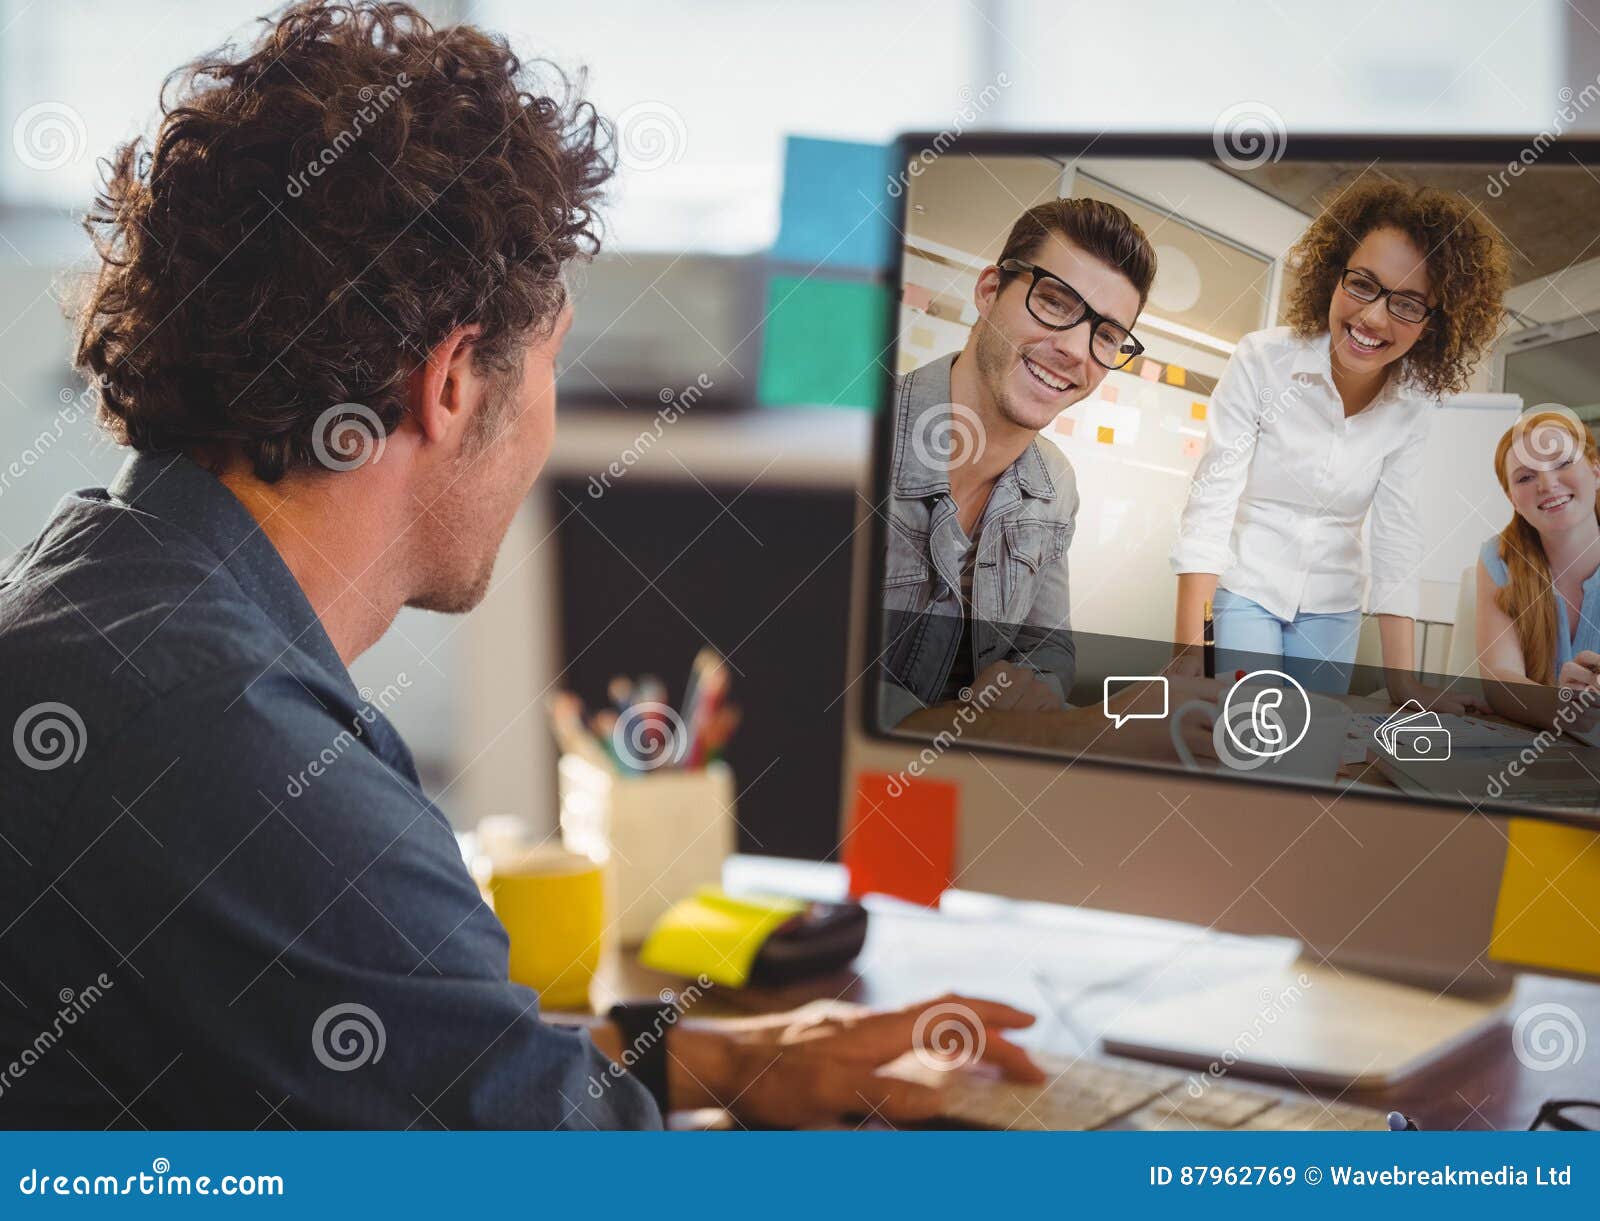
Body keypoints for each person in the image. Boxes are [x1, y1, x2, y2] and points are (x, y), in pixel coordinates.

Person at [0, 0, 1043, 1129]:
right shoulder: (236, 751)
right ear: (449, 385)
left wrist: (726, 1067)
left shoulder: (92, 602)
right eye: (550, 358)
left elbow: (438, 1057)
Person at [1170, 179, 1508, 708]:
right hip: (1245, 585)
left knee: (1312, 748)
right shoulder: (1263, 360)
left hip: (1334, 604)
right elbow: (1210, 503)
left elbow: (1397, 535)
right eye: (1363, 284)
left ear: (1433, 325)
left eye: (1408, 304)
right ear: (1334, 274)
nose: (1373, 317)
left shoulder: (1411, 405)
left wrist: (1403, 682)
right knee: (1244, 732)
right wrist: (1191, 649)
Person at [882, 197, 1154, 721]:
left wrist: (1034, 690)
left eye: (1106, 336)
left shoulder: (1056, 484)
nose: (1077, 351)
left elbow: (1049, 650)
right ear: (989, 292)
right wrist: (942, 729)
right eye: (1055, 303)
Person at [1475, 408, 1600, 724]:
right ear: (1513, 500)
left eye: (1562, 463)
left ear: (1596, 471)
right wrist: (1563, 708)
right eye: (1526, 477)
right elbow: (1500, 679)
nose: (1547, 483)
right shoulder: (1499, 558)